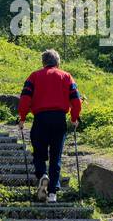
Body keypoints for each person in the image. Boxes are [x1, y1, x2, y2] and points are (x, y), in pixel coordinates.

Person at [18, 48, 81, 202]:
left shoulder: (34, 76)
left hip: (40, 119)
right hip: (59, 119)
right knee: (56, 156)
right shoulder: (66, 76)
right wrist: (74, 118)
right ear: (57, 62)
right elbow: (76, 101)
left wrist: (22, 118)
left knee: (39, 152)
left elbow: (25, 98)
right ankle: (52, 193)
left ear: (43, 62)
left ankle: (42, 174)